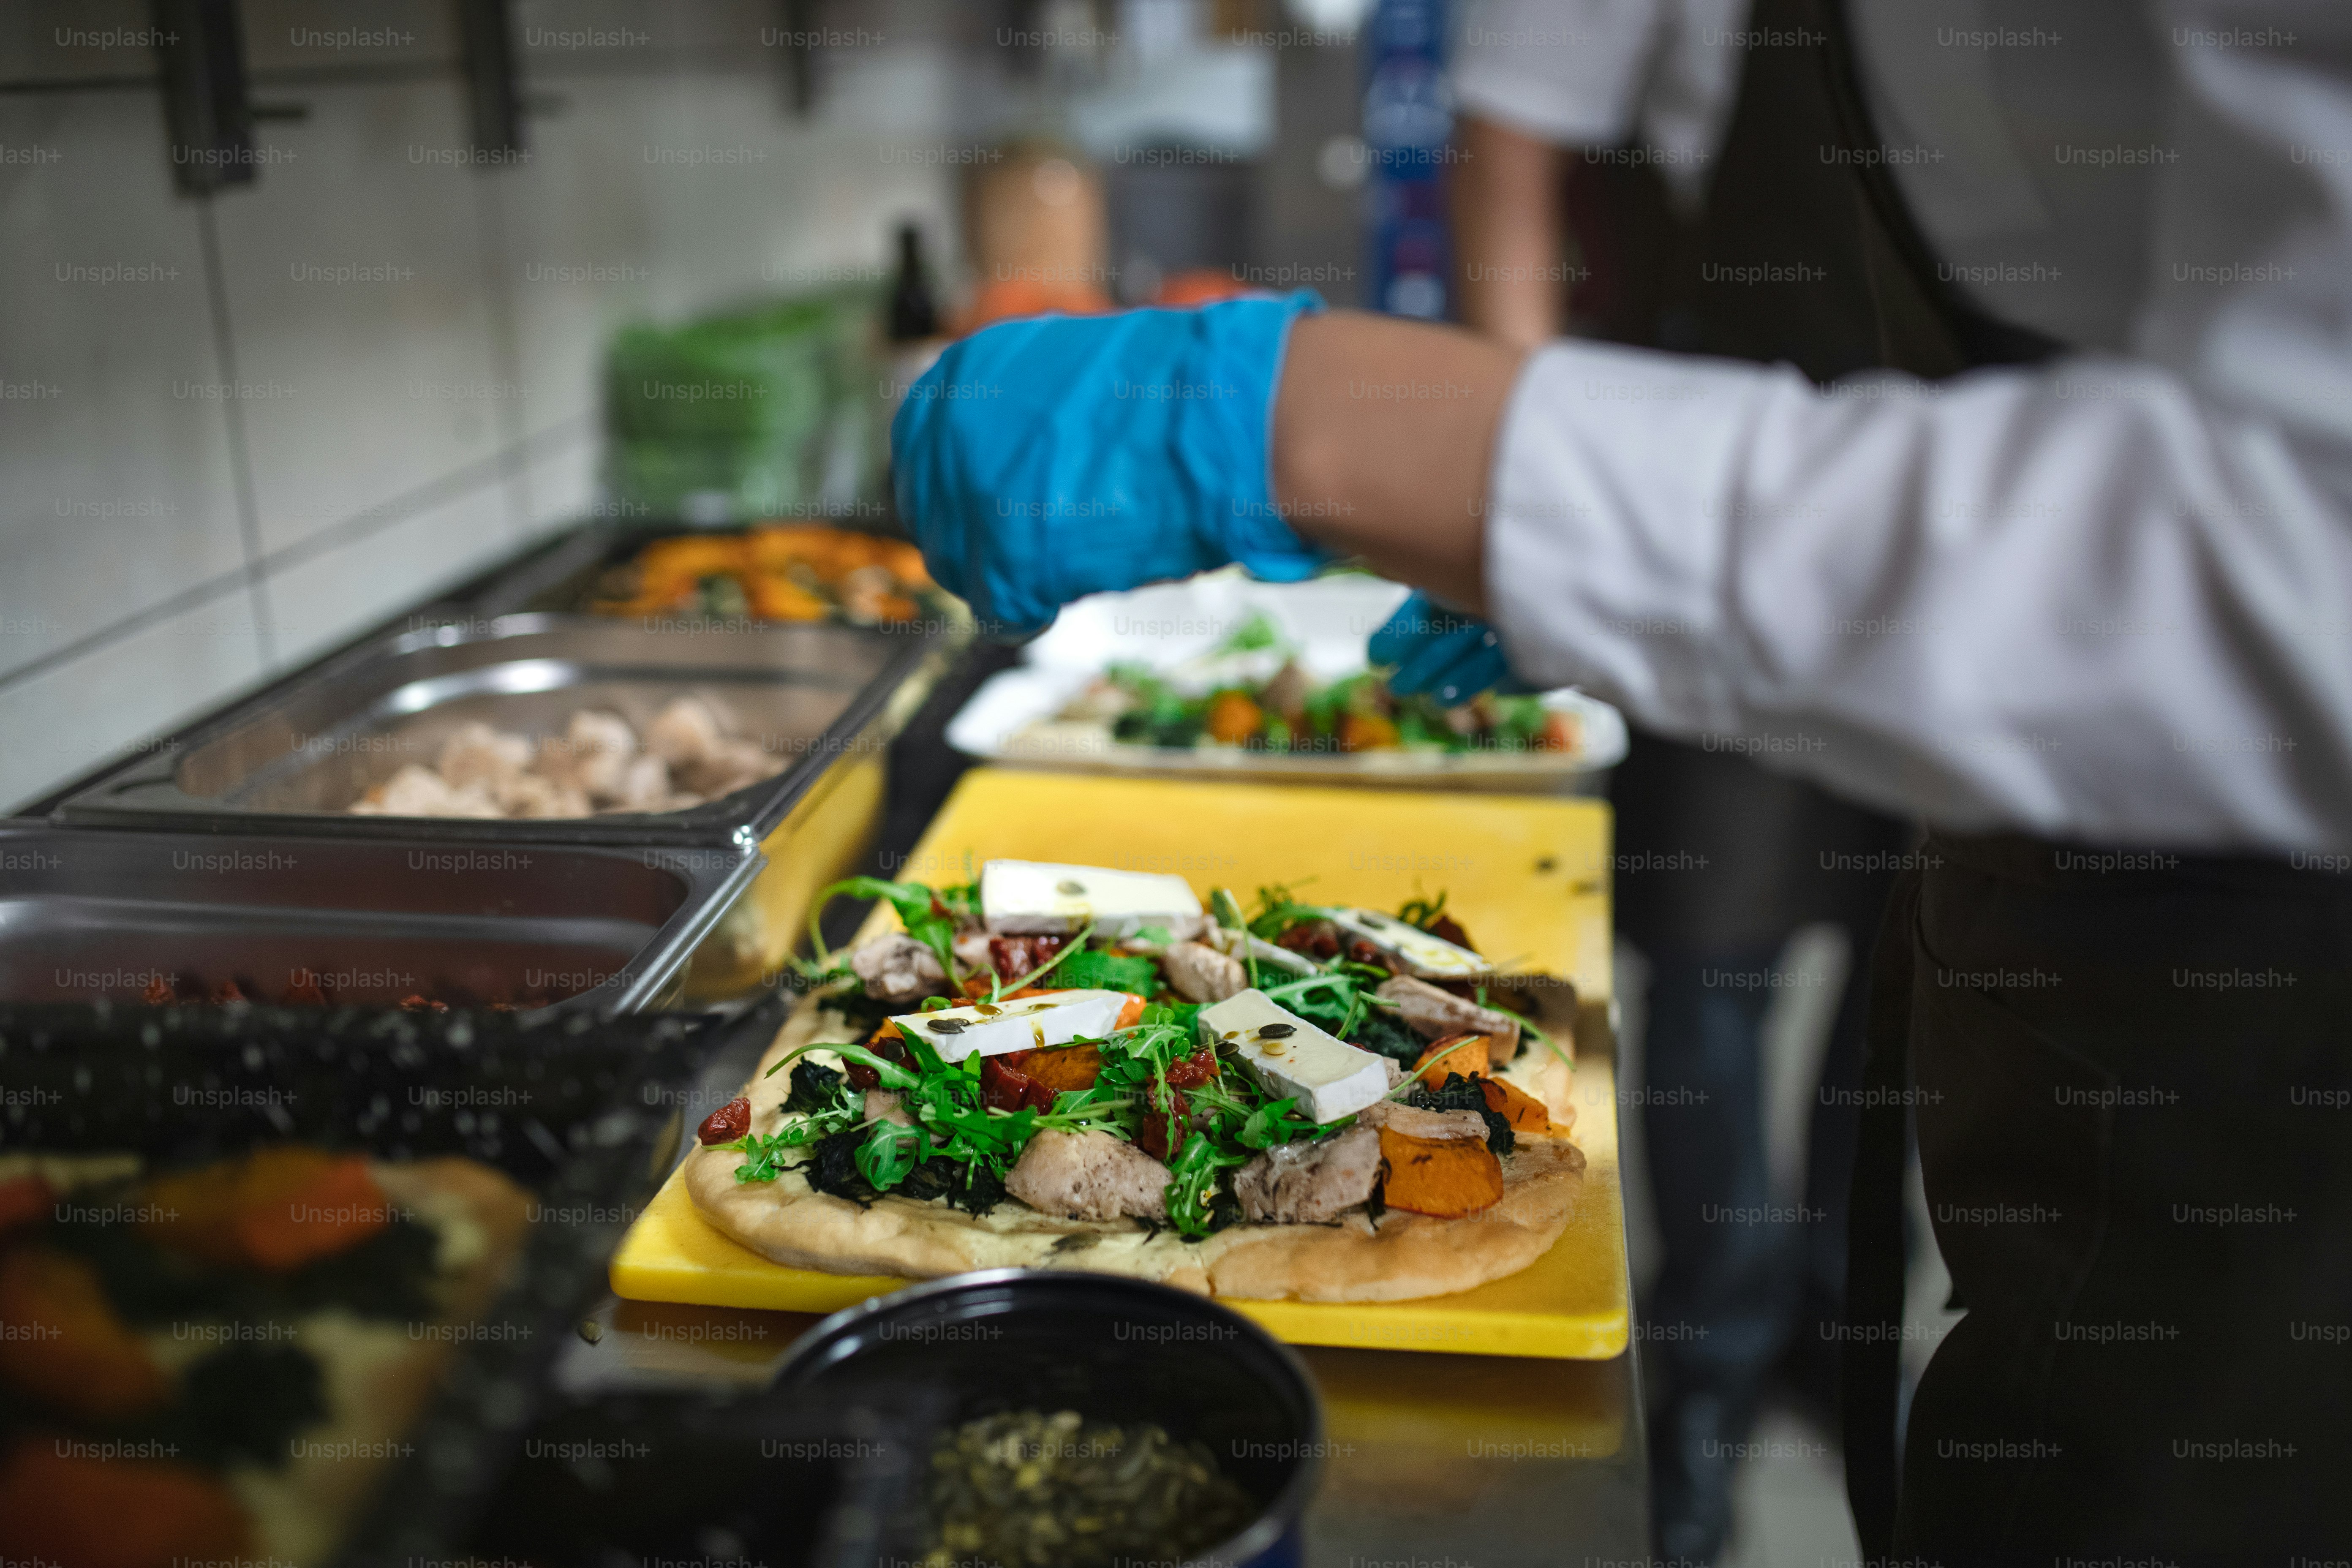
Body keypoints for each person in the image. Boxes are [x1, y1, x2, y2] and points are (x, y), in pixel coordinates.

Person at [891, 1, 2352, 1560]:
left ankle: (1803, 1339)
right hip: (1999, 768)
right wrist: (1526, 491)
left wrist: (1368, 436)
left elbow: (2294, 557)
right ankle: (1722, 1366)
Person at [1447, 4, 1911, 1556]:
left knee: (1931, 952)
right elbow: (1511, 141)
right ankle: (1707, 1360)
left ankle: (1846, 1327)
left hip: (2002, 459)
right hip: (1735, 468)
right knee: (1713, 957)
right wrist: (1520, 487)